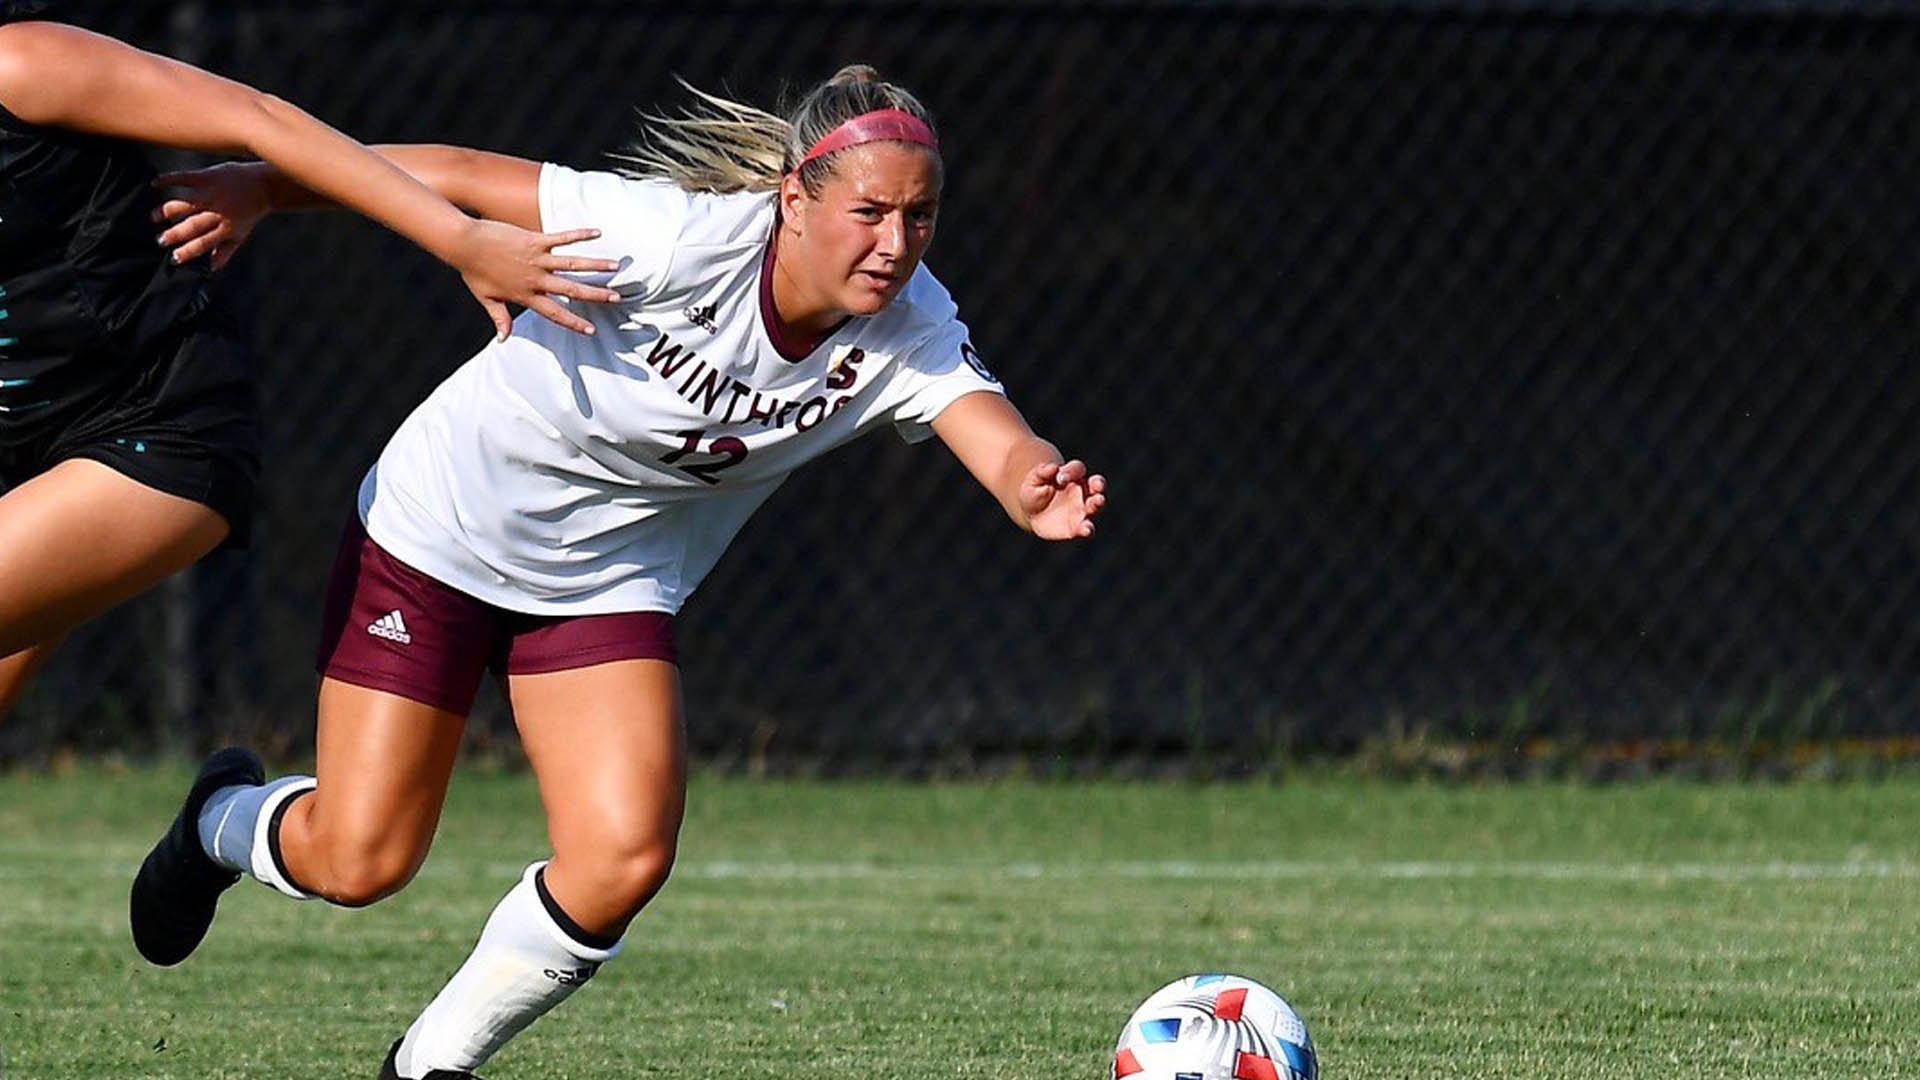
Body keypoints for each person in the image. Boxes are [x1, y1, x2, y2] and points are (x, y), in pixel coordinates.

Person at [129, 65, 1107, 1079]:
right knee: (359, 860)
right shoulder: (676, 237)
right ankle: (216, 823)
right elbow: (457, 172)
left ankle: (428, 1067)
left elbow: (997, 438)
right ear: (793, 198)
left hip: (606, 579)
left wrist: (1034, 484)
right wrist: (263, 186)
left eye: (919, 216)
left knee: (623, 857)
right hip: (443, 530)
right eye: (869, 212)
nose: (896, 244)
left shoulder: (911, 325)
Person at [0, 8, 622, 716]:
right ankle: (227, 800)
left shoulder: (23, 64)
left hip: (145, 427)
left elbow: (263, 118)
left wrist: (461, 240)